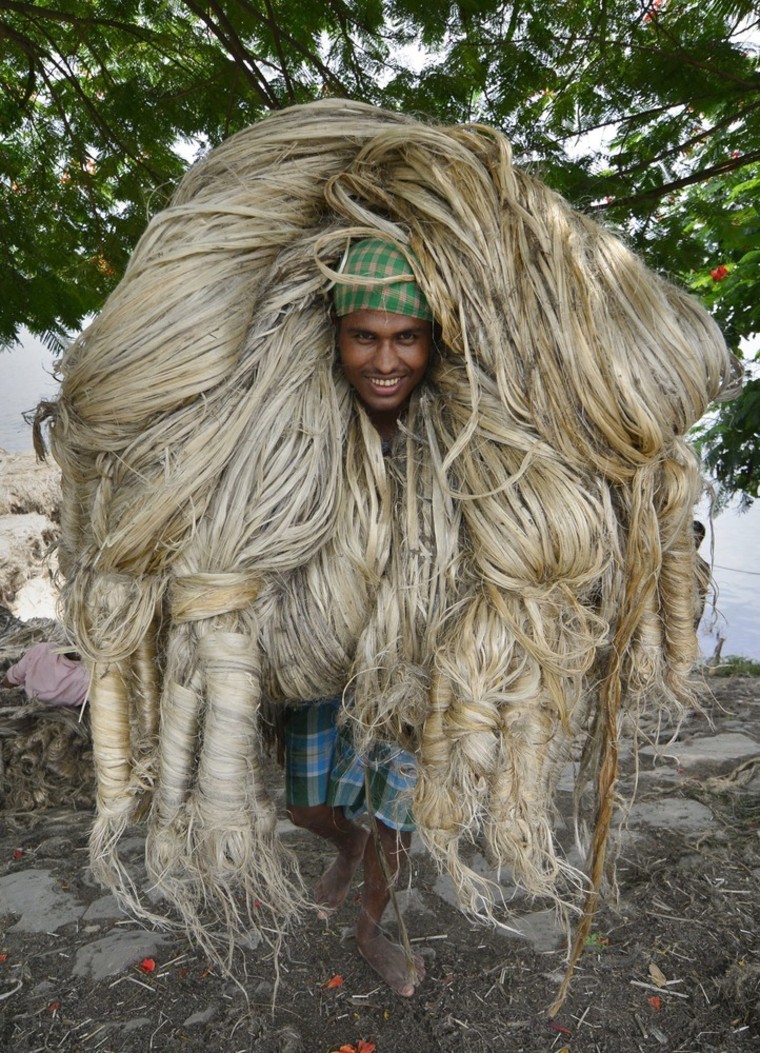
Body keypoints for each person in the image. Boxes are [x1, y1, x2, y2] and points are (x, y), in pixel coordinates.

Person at [284, 238, 432, 997]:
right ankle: (343, 842)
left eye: (406, 337)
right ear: (336, 337)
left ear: (430, 342)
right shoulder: (299, 429)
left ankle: (371, 926)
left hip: (415, 660)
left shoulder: (451, 433)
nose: (386, 360)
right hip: (320, 651)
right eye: (364, 336)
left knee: (399, 816)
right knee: (304, 801)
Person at [2, 641, 89, 708]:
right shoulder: (89, 676)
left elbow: (11, 679)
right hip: (57, 718)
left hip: (29, 707)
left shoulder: (43, 650)